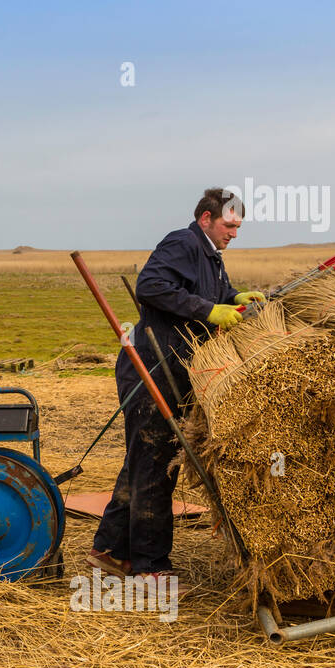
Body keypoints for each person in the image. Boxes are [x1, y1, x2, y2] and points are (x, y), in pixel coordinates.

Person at [88, 189, 265, 581]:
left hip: (173, 371)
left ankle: (110, 552)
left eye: (238, 227)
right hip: (151, 369)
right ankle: (150, 568)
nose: (234, 234)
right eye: (229, 225)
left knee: (143, 461)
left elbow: (210, 293)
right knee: (155, 466)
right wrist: (208, 310)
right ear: (206, 218)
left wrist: (233, 297)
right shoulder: (182, 243)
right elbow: (151, 287)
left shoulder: (210, 256)